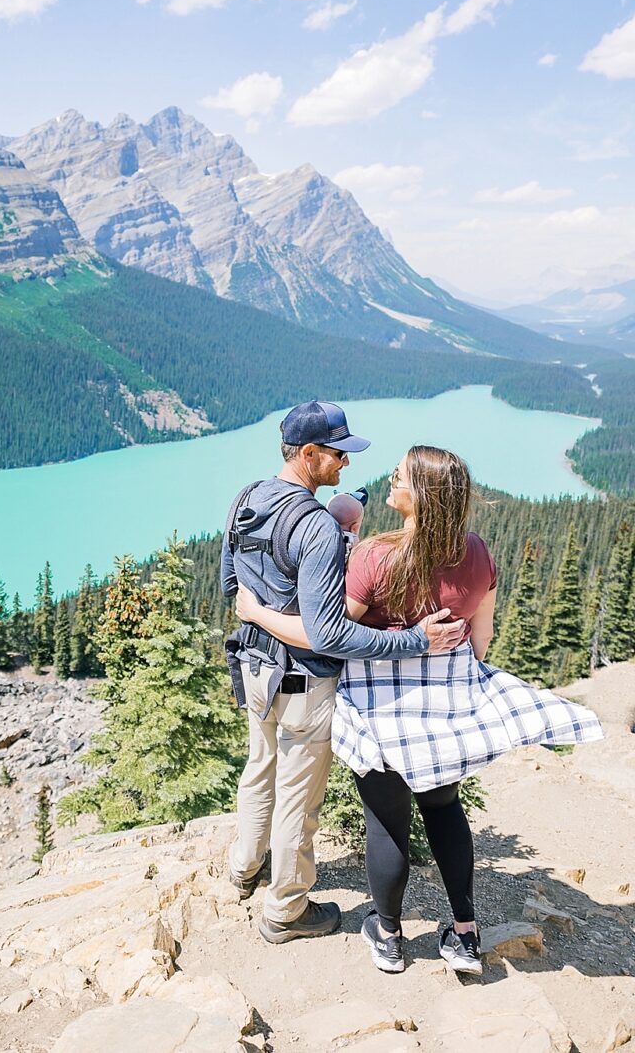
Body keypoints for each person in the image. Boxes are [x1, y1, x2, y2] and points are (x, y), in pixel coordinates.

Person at [234, 445, 602, 974]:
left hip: (381, 708)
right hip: (445, 706)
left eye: (401, 474)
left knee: (386, 822)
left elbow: (327, 638)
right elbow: (482, 639)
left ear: (421, 495)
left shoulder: (376, 556)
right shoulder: (476, 552)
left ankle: (388, 936)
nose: (391, 476)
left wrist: (259, 613)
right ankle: (465, 935)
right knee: (444, 810)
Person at [222, 401, 467, 946]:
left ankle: (245, 865)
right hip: (303, 681)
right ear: (308, 454)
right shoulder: (316, 528)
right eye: (338, 454)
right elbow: (330, 633)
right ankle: (285, 910)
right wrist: (413, 641)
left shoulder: (247, 498)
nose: (346, 465)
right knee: (299, 797)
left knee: (258, 765)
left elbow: (230, 583)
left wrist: (260, 615)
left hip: (254, 665)